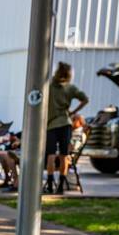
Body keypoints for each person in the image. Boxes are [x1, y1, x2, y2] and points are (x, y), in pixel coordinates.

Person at [45, 61, 88, 194]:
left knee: (51, 155)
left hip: (51, 124)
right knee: (64, 155)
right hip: (65, 123)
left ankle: (50, 182)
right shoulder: (70, 88)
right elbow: (85, 99)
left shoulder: (49, 86)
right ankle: (61, 184)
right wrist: (73, 111)